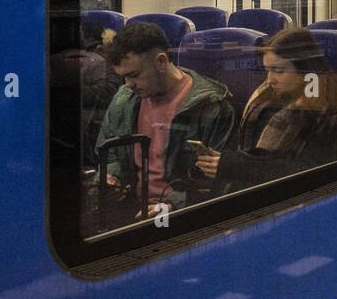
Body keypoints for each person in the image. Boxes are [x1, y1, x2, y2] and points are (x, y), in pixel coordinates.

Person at [96, 21, 236, 218]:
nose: (128, 85)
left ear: (161, 62)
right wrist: (111, 177)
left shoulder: (212, 107)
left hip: (180, 211)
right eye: (123, 77)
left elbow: (215, 180)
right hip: (130, 203)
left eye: (134, 75)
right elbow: (109, 152)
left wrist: (172, 205)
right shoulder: (124, 99)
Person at [193, 28, 337, 188]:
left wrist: (235, 167)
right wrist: (220, 162)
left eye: (279, 71)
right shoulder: (263, 101)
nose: (270, 80)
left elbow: (308, 173)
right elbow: (249, 154)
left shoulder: (324, 113)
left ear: (305, 70)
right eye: (267, 70)